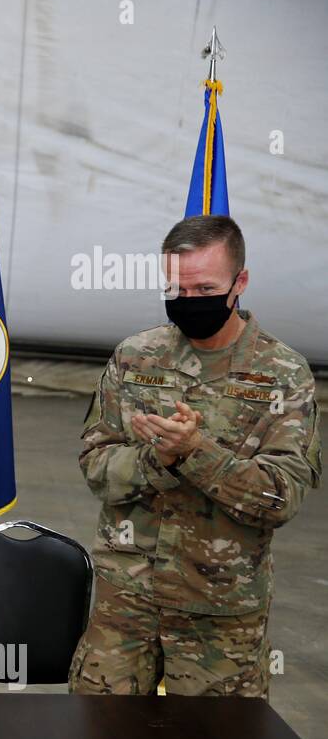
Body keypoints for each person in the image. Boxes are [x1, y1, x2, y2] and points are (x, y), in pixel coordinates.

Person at [70, 215, 321, 696]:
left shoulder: (284, 374)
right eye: (176, 289)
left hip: (219, 612)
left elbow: (281, 497)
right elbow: (97, 469)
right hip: (126, 603)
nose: (189, 302)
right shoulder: (135, 356)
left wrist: (194, 452)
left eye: (205, 288)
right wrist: (157, 460)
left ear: (239, 283)